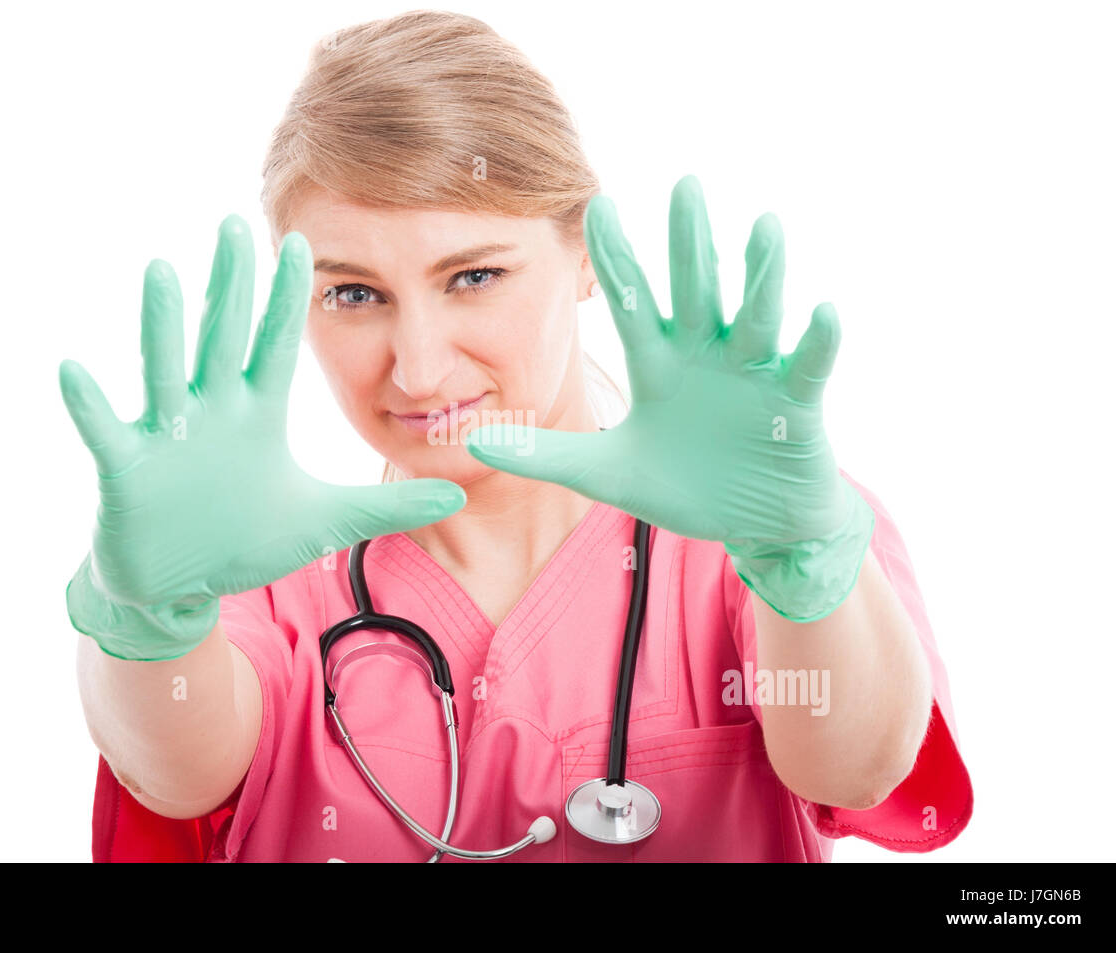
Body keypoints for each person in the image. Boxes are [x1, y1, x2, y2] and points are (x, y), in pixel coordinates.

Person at [61, 10, 972, 863]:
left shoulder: (757, 534)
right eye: (354, 293)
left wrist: (801, 561)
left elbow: (856, 764)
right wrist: (147, 619)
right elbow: (178, 769)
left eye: (474, 276)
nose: (417, 367)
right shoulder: (259, 583)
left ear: (583, 255)